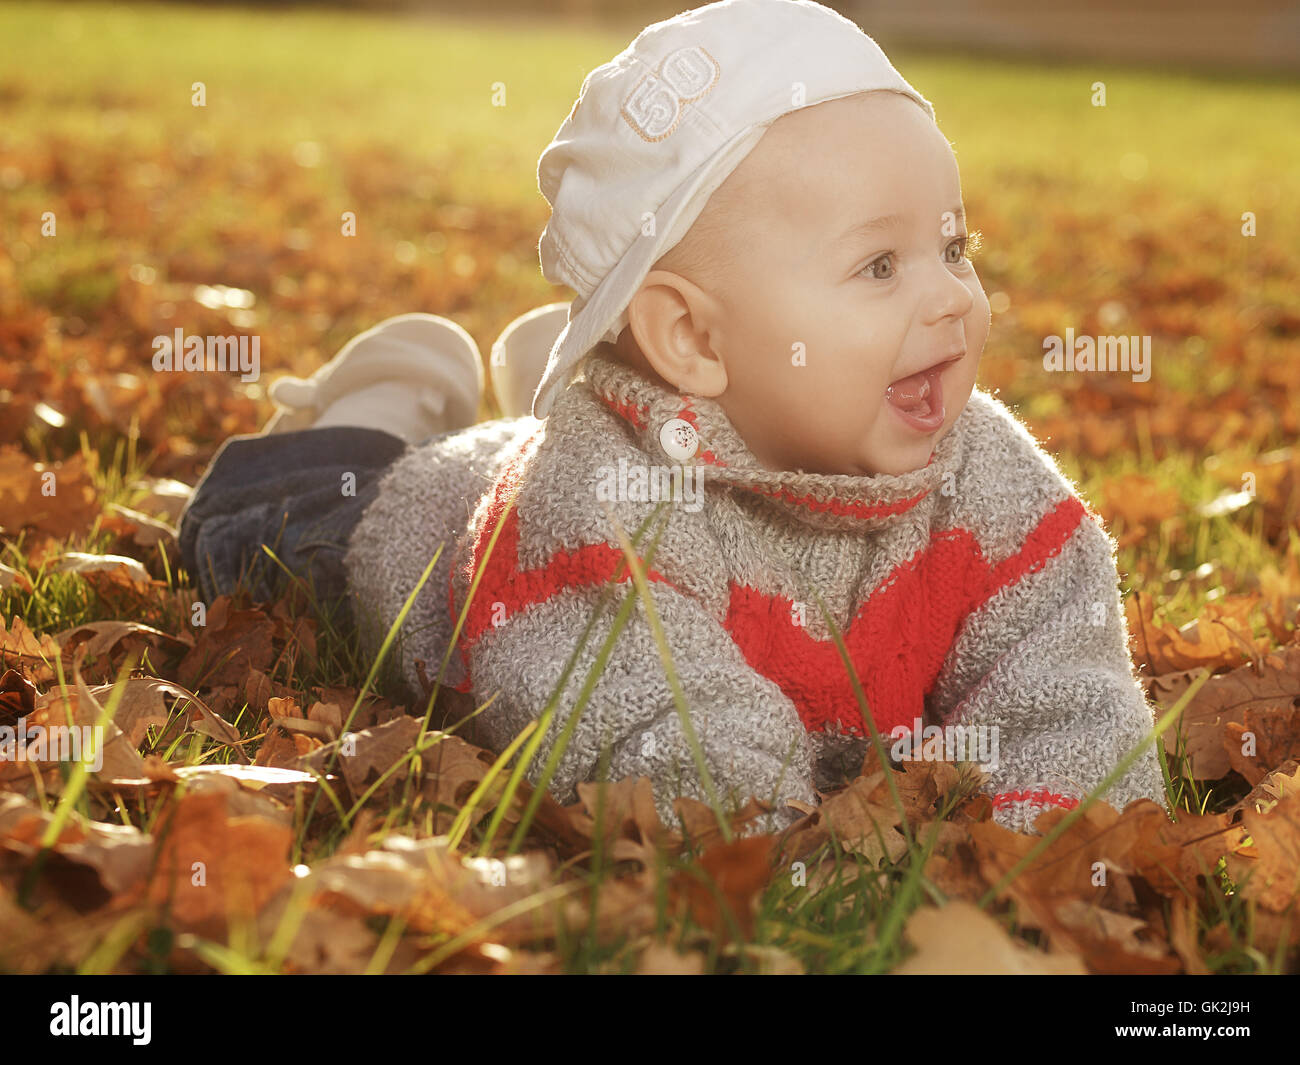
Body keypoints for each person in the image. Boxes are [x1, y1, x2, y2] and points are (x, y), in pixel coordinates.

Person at [180, 0, 1168, 835]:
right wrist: (779, 852)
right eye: (879, 266)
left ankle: (562, 359)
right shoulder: (599, 510)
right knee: (284, 534)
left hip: (666, 406)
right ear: (692, 339)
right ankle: (382, 393)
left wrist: (1051, 840)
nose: (951, 298)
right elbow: (654, 727)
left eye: (954, 247)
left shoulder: (987, 476)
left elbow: (1065, 689)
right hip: (415, 534)